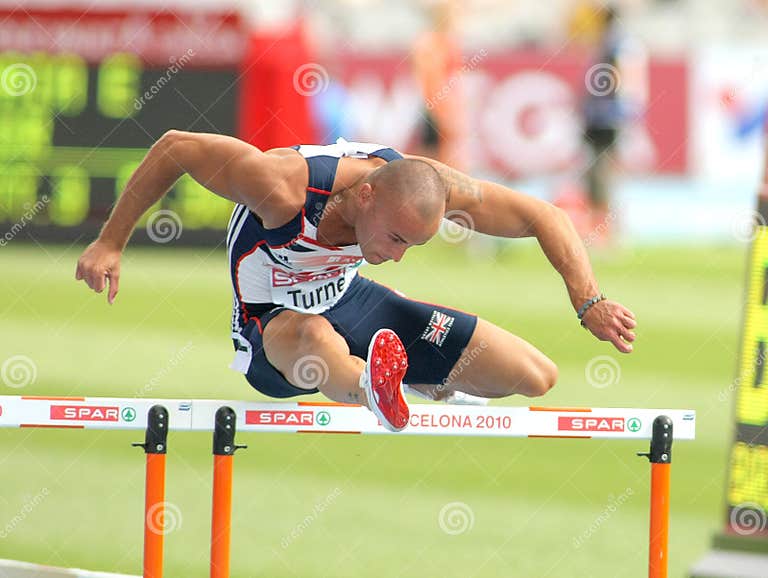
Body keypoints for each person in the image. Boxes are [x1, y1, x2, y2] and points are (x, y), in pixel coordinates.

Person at [75, 133, 637, 432]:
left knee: (535, 376)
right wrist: (111, 242)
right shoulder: (282, 188)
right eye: (393, 239)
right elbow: (176, 147)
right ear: (364, 194)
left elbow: (545, 216)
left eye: (410, 246)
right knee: (320, 340)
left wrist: (587, 300)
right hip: (275, 325)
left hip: (352, 302)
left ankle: (409, 382)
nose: (394, 257)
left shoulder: (427, 185)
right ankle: (375, 389)